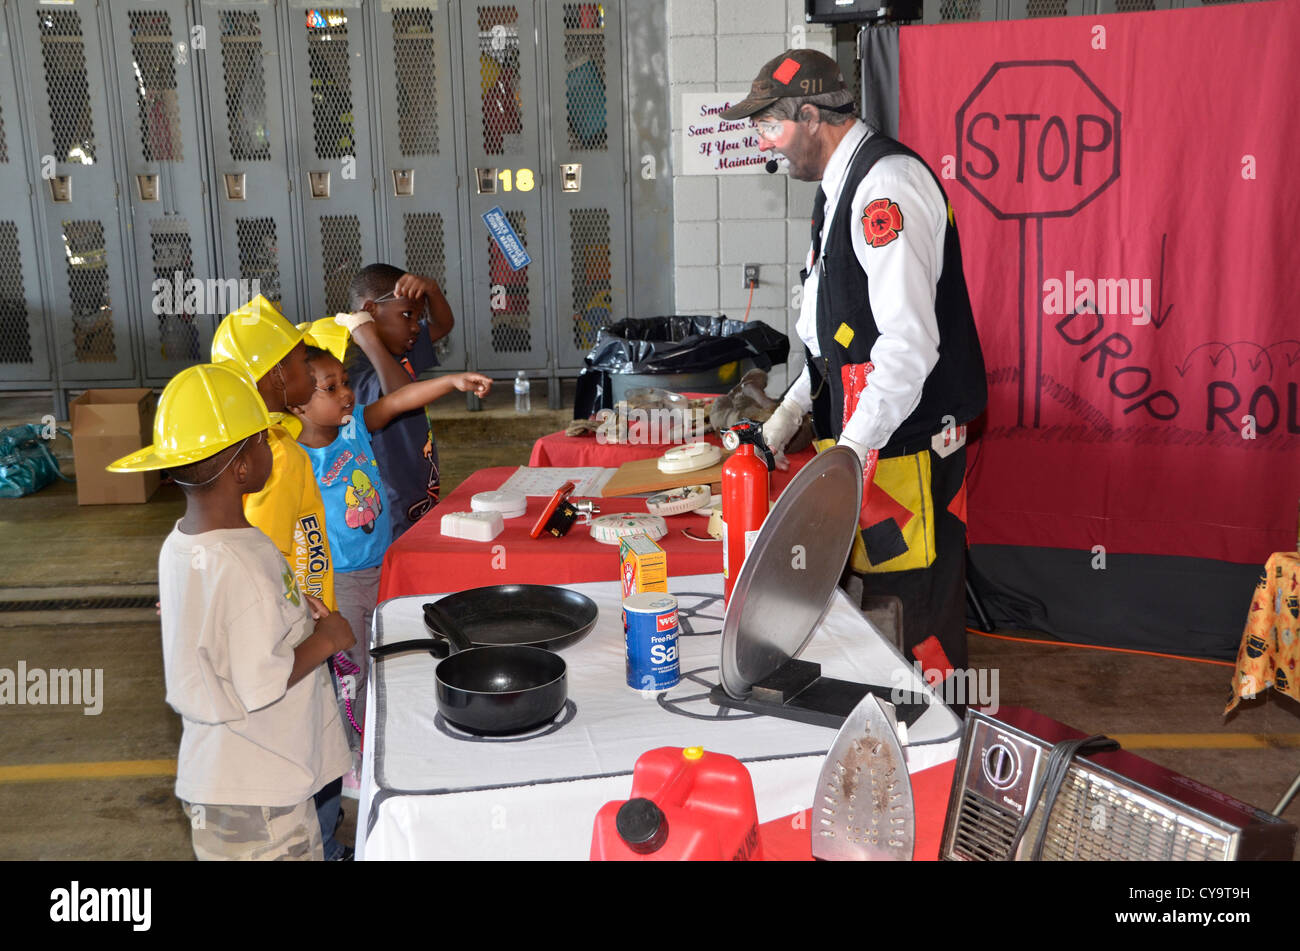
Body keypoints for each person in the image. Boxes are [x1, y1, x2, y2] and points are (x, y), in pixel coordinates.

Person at [722, 49, 987, 670]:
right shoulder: (838, 187)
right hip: (870, 448)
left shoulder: (885, 188)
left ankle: (929, 747)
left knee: (912, 617)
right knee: (870, 618)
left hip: (906, 453)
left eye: (771, 126)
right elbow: (828, 338)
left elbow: (907, 345)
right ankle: (878, 739)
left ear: (811, 115)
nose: (767, 144)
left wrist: (851, 451)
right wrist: (782, 425)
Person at [107, 363, 354, 861]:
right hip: (263, 795)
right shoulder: (244, 561)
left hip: (220, 778)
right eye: (264, 441)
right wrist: (328, 637)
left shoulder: (180, 545)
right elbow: (262, 680)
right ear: (242, 468)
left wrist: (292, 612)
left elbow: (221, 625)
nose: (272, 448)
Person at [211, 295, 396, 858]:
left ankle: (324, 836)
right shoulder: (261, 454)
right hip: (285, 632)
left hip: (309, 622)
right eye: (297, 363)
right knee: (297, 751)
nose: (306, 369)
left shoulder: (280, 446)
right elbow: (253, 554)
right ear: (272, 376)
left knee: (317, 739)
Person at [289, 346, 490, 761]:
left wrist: (451, 382)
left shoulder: (355, 425)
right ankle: (348, 756)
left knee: (381, 658)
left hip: (382, 565)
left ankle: (376, 740)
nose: (346, 392)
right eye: (331, 388)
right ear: (296, 404)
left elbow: (398, 401)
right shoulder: (294, 458)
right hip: (339, 581)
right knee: (350, 669)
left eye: (345, 381)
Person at [342, 265, 457, 538]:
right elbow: (398, 397)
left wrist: (433, 289)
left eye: (418, 316)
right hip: (390, 506)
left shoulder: (399, 349)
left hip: (418, 494)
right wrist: (368, 340)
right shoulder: (354, 367)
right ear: (369, 311)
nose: (416, 326)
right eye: (407, 315)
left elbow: (444, 325)